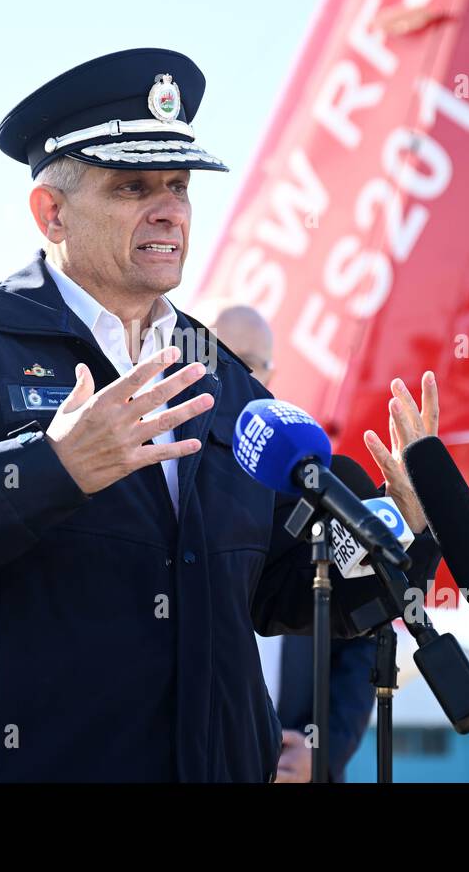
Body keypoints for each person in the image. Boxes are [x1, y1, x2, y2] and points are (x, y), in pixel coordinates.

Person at [0, 48, 443, 782]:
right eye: (132, 186)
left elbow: (284, 592)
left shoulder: (225, 379)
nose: (169, 209)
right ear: (52, 212)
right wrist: (49, 469)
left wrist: (404, 532)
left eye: (179, 186)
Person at [190, 299, 379, 783]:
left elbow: (363, 647)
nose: (232, 374)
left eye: (249, 364)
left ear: (269, 377)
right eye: (218, 358)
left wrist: (323, 752)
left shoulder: (305, 484)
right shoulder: (168, 474)